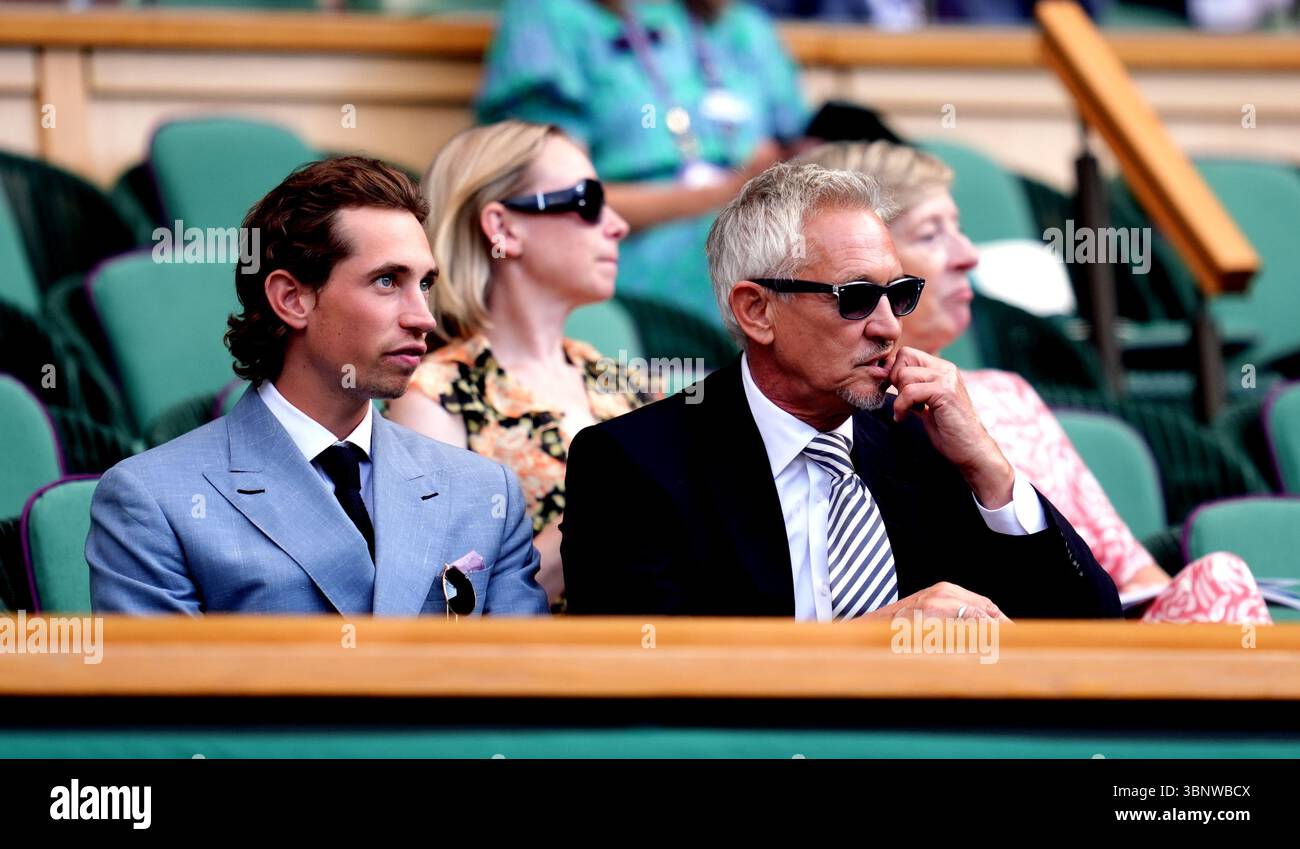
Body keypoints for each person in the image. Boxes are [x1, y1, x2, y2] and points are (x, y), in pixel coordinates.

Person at [560, 162, 1122, 620]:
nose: (889, 325)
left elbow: (1090, 628)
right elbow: (643, 679)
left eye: (898, 294)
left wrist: (990, 470)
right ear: (757, 310)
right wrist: (860, 647)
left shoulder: (926, 440)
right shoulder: (634, 463)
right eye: (854, 297)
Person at [801, 139, 1269, 624]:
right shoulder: (831, 417)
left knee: (1220, 582)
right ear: (869, 264)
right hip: (966, 652)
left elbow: (1137, 577)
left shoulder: (1009, 393)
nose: (968, 256)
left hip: (1095, 647)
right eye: (930, 235)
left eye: (959, 230)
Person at [87, 156, 547, 617]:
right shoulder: (151, 500)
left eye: (424, 283)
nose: (423, 316)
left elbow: (524, 682)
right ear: (292, 299)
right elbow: (162, 688)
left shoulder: (486, 492)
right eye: (387, 281)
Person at [387, 121, 657, 608]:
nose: (617, 224)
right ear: (503, 228)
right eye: (587, 202)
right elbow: (450, 604)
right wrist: (603, 511)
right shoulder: (433, 396)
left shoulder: (616, 378)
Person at [476, 0, 807, 330]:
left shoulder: (741, 26)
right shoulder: (550, 16)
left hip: (762, 233)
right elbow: (552, 201)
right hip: (632, 258)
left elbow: (797, 145)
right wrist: (726, 194)